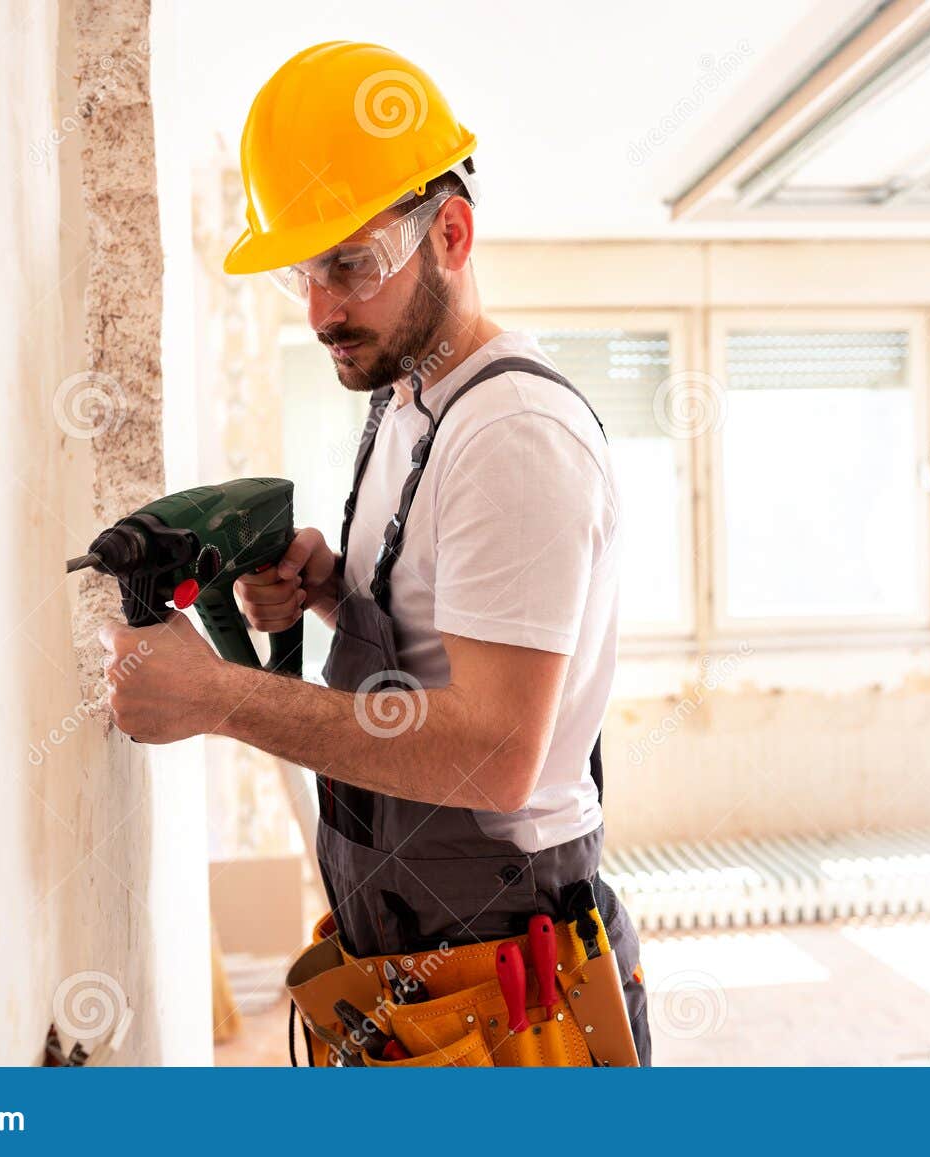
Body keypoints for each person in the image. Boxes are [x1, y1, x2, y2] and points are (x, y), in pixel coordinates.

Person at [99, 40, 649, 1064]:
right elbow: (443, 640)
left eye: (349, 264)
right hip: (414, 953)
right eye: (304, 275)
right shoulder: (408, 400)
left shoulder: (511, 431)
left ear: (450, 231)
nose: (320, 313)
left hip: (502, 967)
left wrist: (218, 697)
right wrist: (331, 592)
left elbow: (493, 750)